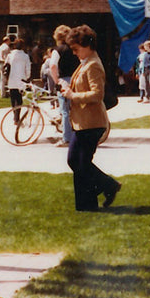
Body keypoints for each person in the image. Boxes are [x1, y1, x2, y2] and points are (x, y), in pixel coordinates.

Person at [62, 24, 121, 211]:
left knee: (79, 161)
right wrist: (68, 89)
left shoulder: (93, 64)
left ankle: (105, 188)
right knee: (77, 161)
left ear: (87, 45)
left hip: (92, 122)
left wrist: (73, 95)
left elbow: (97, 94)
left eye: (76, 48)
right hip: (83, 122)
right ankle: (90, 200)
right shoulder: (86, 62)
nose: (74, 53)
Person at [50, 25, 79, 148]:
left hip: (65, 80)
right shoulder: (74, 49)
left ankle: (67, 138)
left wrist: (56, 81)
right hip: (76, 79)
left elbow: (52, 66)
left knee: (65, 111)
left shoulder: (57, 50)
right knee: (75, 109)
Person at [5, 38, 32, 122]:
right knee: (19, 98)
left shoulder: (10, 55)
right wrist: (27, 77)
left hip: (12, 79)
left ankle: (15, 115)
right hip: (21, 79)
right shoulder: (25, 56)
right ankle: (17, 115)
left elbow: (6, 67)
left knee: (13, 98)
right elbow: (28, 68)